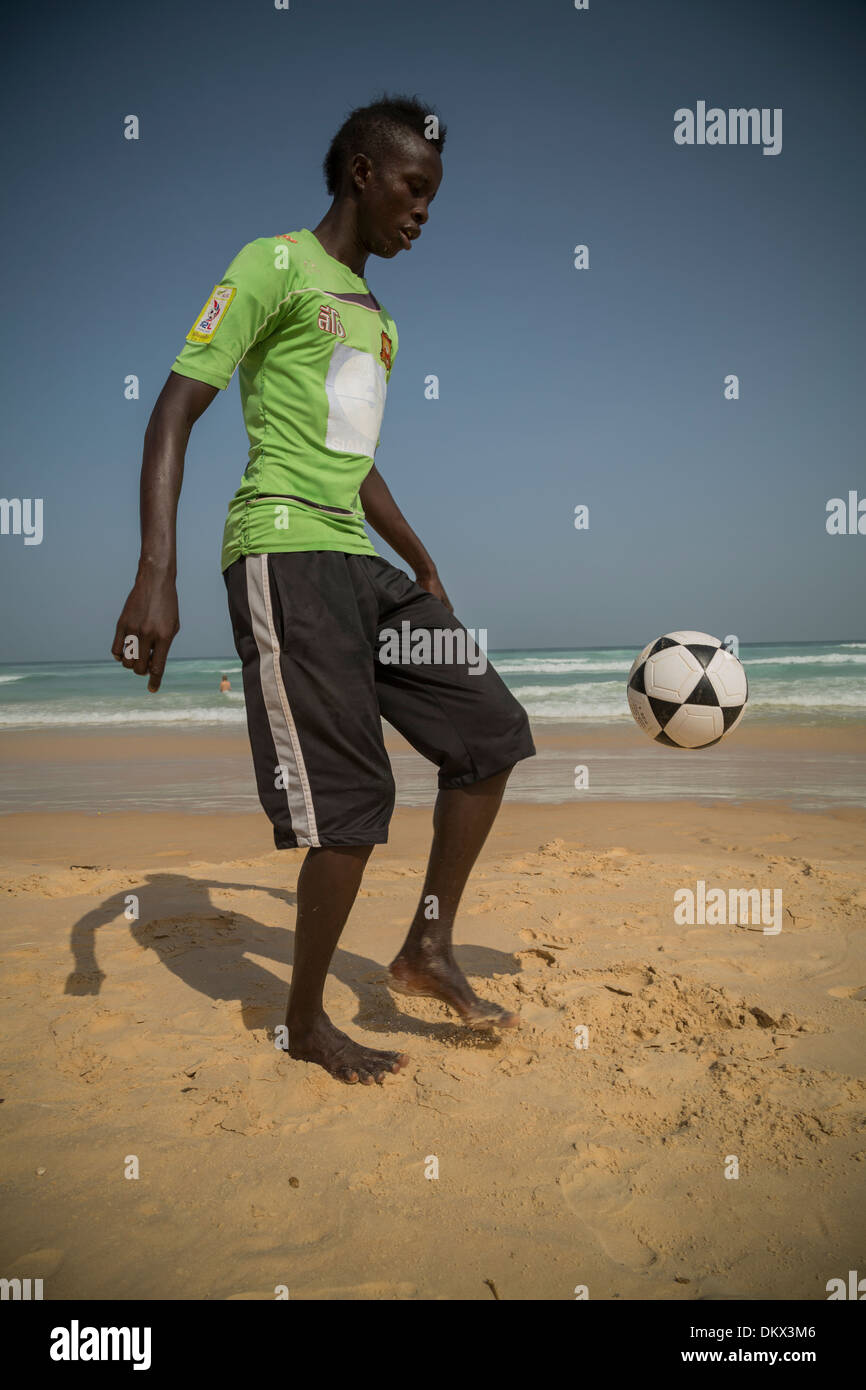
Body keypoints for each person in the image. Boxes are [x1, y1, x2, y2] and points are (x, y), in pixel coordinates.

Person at [112, 94, 536, 1086]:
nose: (422, 211)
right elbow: (175, 408)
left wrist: (417, 555)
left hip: (360, 561)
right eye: (413, 189)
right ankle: (303, 1023)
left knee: (489, 731)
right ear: (359, 172)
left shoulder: (379, 321)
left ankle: (426, 946)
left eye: (432, 196)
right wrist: (154, 573)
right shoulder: (271, 264)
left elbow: (355, 459)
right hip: (280, 553)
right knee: (352, 804)